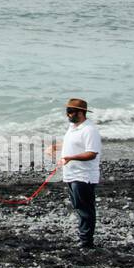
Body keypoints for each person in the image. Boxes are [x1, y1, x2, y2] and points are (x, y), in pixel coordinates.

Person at [50, 98, 102, 250]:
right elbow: (70, 144)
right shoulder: (72, 127)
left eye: (70, 112)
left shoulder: (89, 130)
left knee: (85, 210)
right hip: (71, 174)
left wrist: (70, 157)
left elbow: (92, 153)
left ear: (81, 113)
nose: (68, 115)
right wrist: (55, 147)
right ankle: (84, 239)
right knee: (79, 207)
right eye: (67, 111)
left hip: (84, 176)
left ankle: (86, 243)